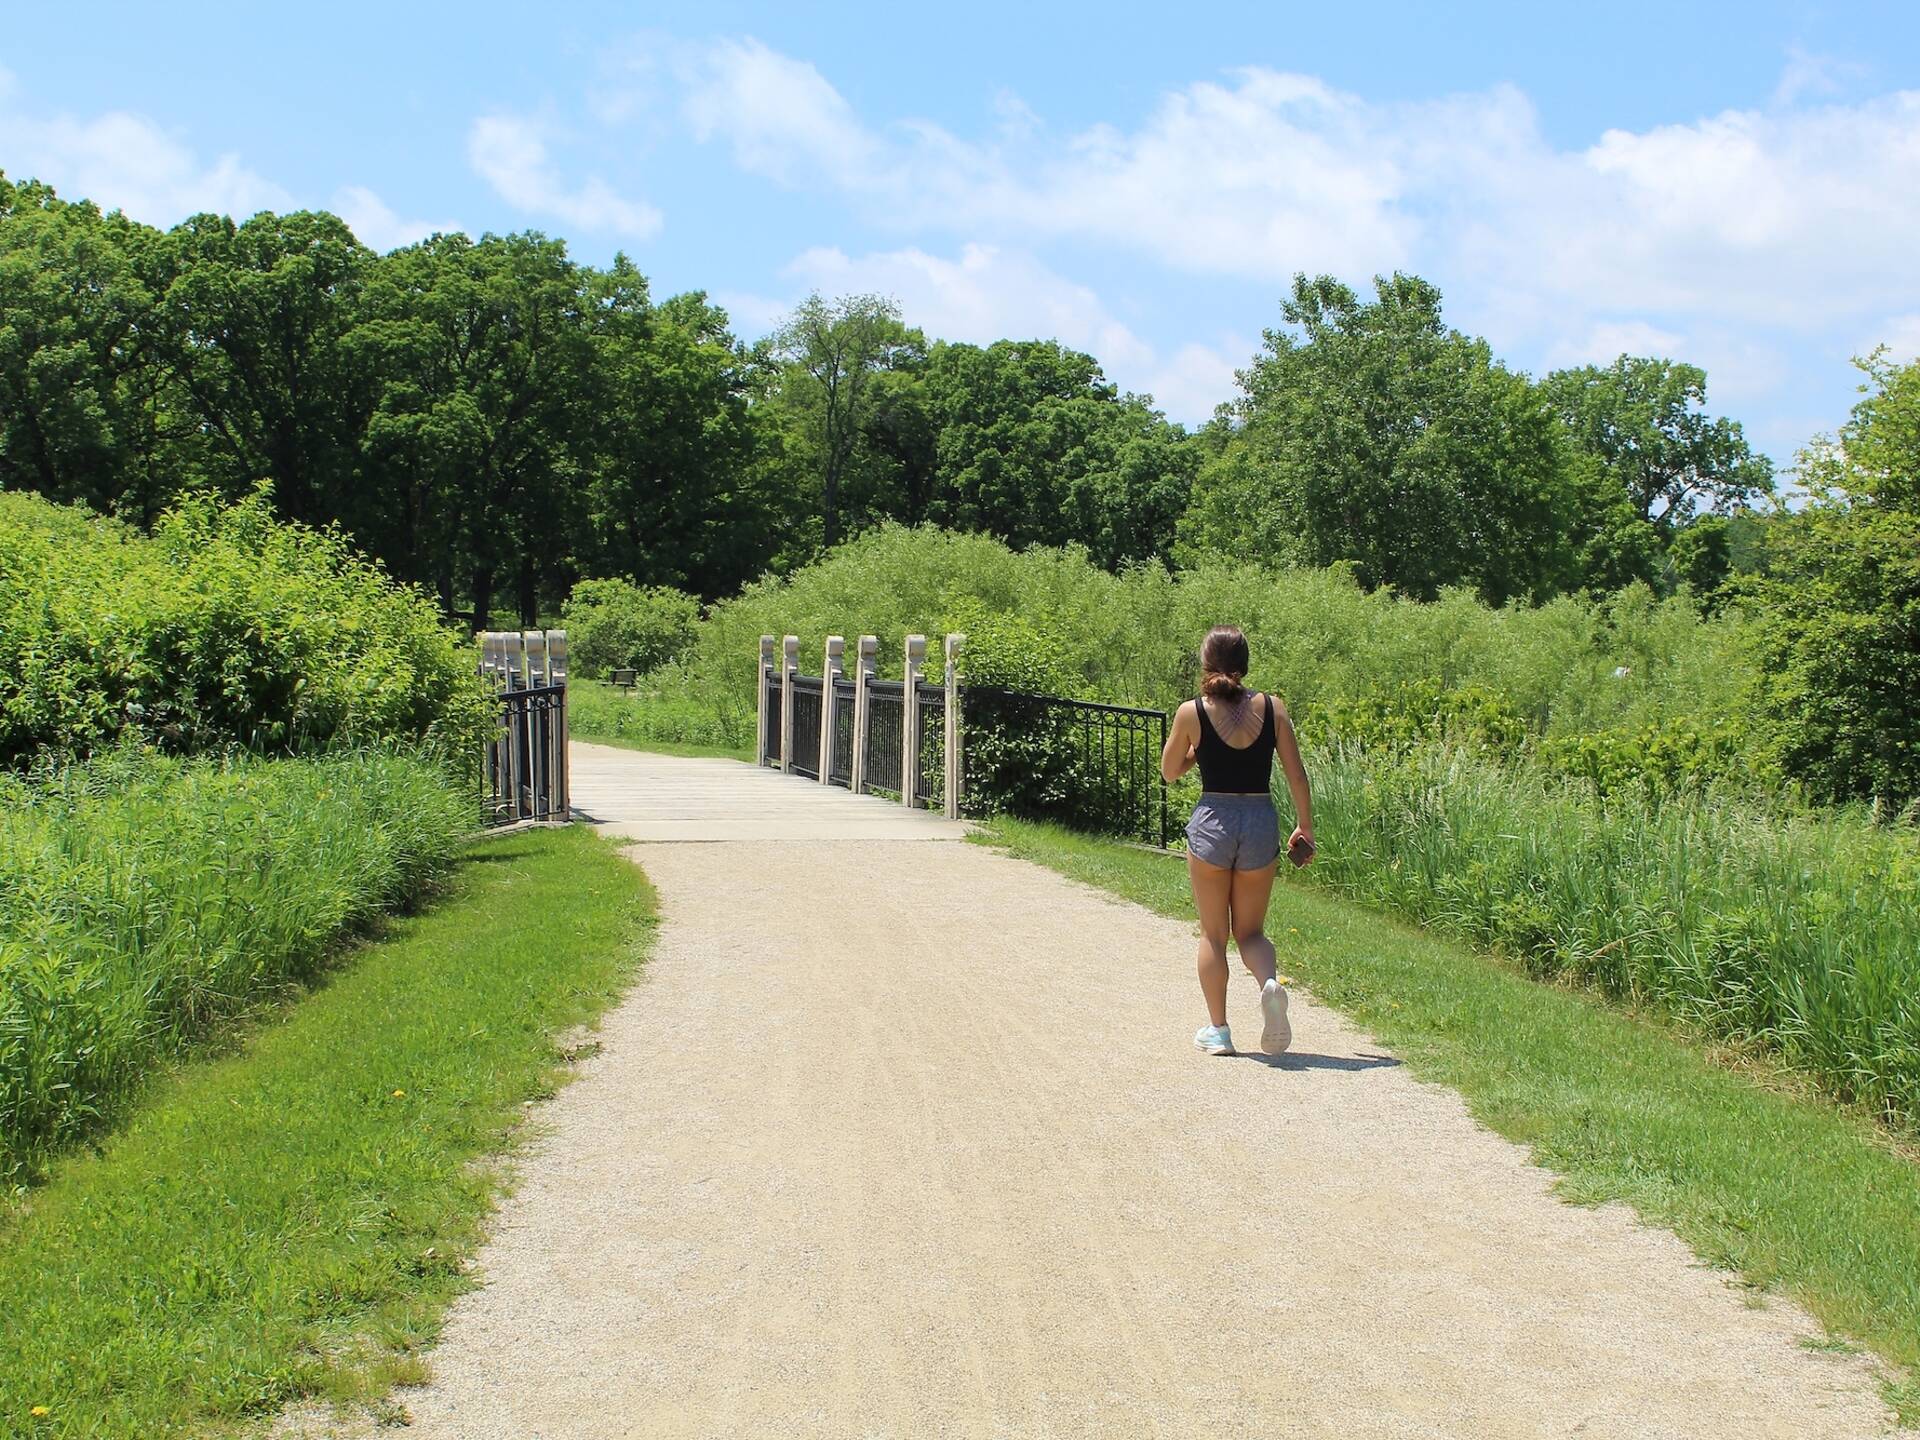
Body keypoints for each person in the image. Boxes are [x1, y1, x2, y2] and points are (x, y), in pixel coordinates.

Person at [1159, 625, 1314, 1056]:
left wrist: (1198, 750)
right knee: (1251, 932)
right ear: (1244, 665)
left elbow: (1170, 771)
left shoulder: (1192, 712)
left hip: (1213, 822)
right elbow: (1297, 775)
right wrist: (1305, 827)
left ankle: (1219, 1030)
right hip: (1260, 820)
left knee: (1214, 935)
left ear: (1206, 663)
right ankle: (1269, 984)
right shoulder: (1274, 708)